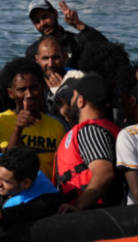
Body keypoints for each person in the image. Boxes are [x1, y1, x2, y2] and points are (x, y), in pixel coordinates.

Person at [52, 74, 122, 209]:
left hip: (93, 214)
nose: (71, 100)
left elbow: (104, 173)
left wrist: (78, 206)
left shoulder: (91, 131)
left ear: (80, 101)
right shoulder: (104, 128)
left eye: (73, 96)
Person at [0, 59, 65, 179]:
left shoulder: (56, 125)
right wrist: (18, 129)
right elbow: (8, 163)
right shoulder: (1, 121)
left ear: (42, 87)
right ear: (10, 93)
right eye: (22, 90)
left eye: (33, 88)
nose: (29, 95)